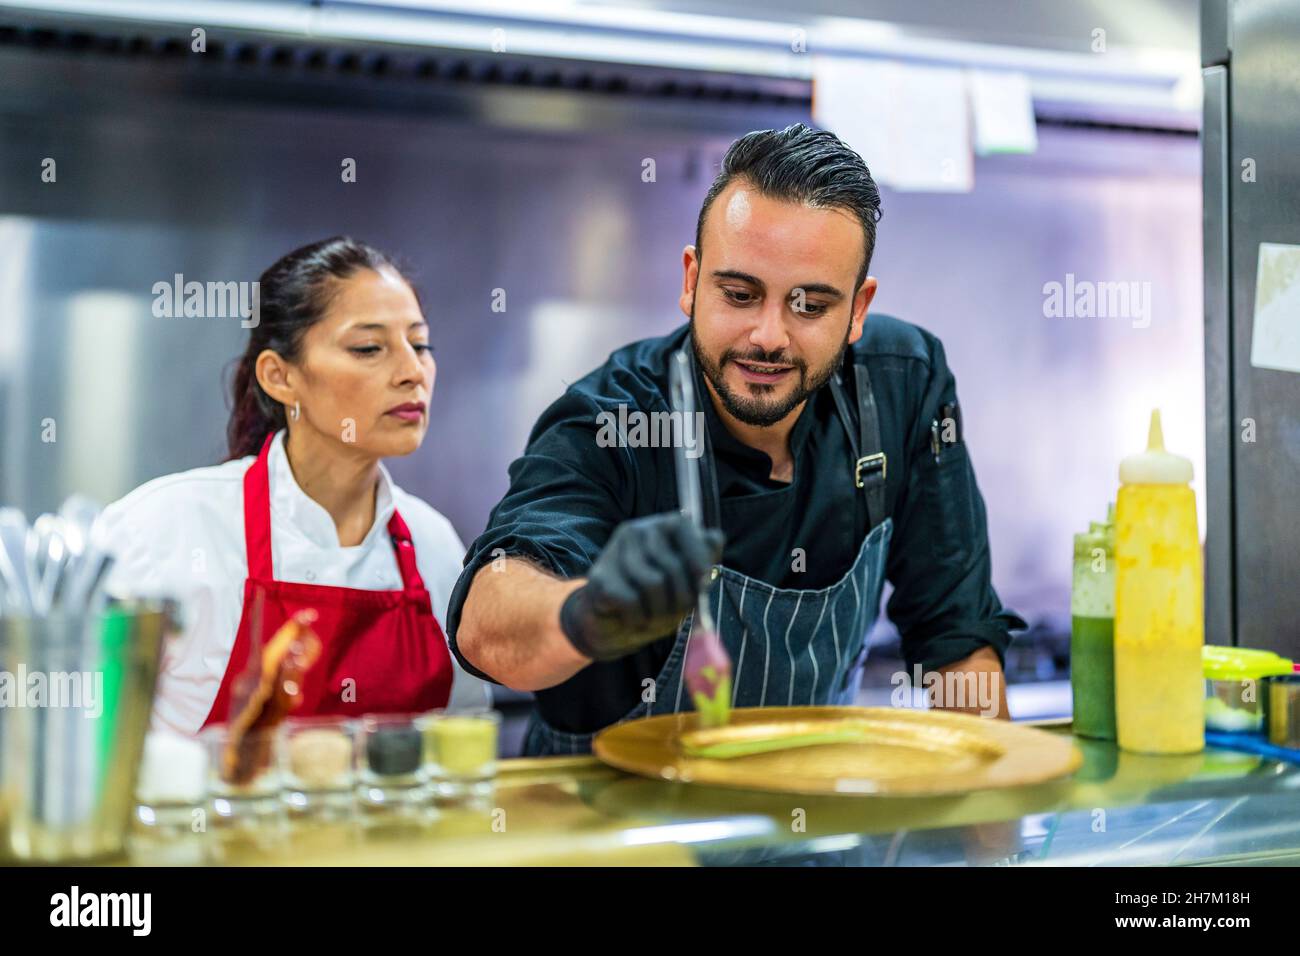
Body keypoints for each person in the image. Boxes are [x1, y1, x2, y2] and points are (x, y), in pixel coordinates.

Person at [449, 124, 1024, 757]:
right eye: (740, 294)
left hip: (807, 830)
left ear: (858, 310)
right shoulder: (613, 419)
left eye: (810, 305)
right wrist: (589, 610)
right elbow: (488, 624)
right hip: (614, 831)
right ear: (692, 280)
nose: (769, 335)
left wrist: (995, 840)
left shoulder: (902, 386)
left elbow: (956, 640)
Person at [101, 236, 486, 735]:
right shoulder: (164, 530)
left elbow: (465, 742)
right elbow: (88, 744)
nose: (413, 372)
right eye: (369, 348)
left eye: (420, 344)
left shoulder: (434, 545)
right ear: (280, 377)